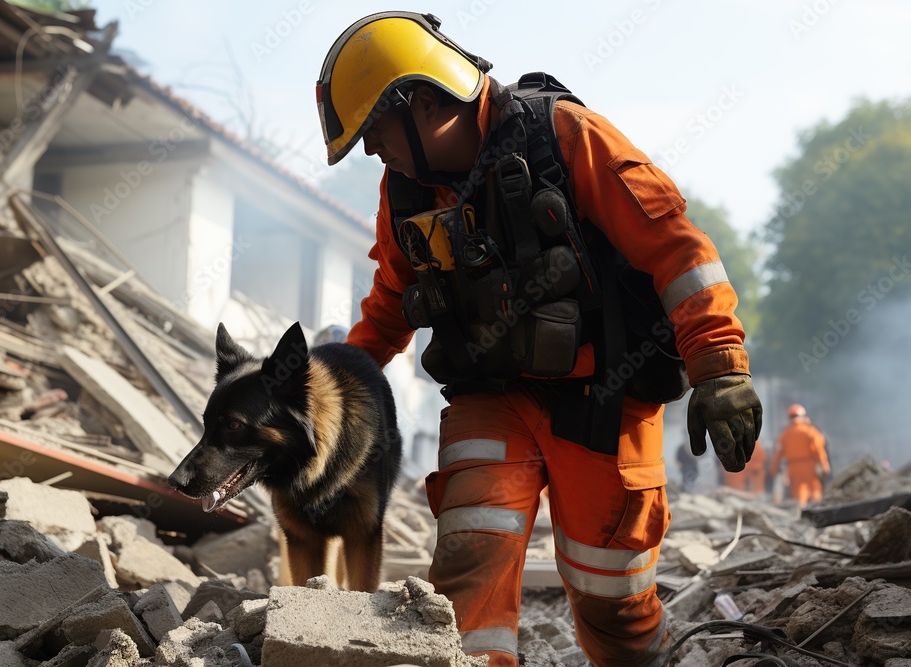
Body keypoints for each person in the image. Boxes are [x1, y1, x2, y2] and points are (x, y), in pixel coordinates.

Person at [316, 12, 762, 667]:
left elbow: (676, 249)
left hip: (602, 394)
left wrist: (719, 364)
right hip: (490, 396)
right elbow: (392, 299)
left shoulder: (564, 136)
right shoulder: (406, 192)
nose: (371, 153)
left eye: (373, 134)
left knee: (611, 594)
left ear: (424, 100)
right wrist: (333, 388)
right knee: (471, 564)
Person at [771, 404, 830, 507]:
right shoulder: (810, 431)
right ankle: (817, 514)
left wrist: (774, 471)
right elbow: (819, 449)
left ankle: (801, 516)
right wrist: (824, 466)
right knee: (815, 492)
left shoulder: (784, 435)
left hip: (793, 468)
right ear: (803, 417)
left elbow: (777, 455)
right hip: (809, 466)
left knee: (799, 496)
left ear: (789, 418)